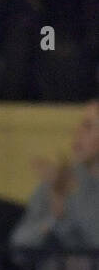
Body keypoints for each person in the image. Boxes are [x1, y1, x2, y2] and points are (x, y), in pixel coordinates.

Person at [10, 101, 99, 252]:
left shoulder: (69, 182)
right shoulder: (59, 179)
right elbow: (19, 244)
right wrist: (54, 218)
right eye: (79, 126)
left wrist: (73, 195)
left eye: (88, 127)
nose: (77, 132)